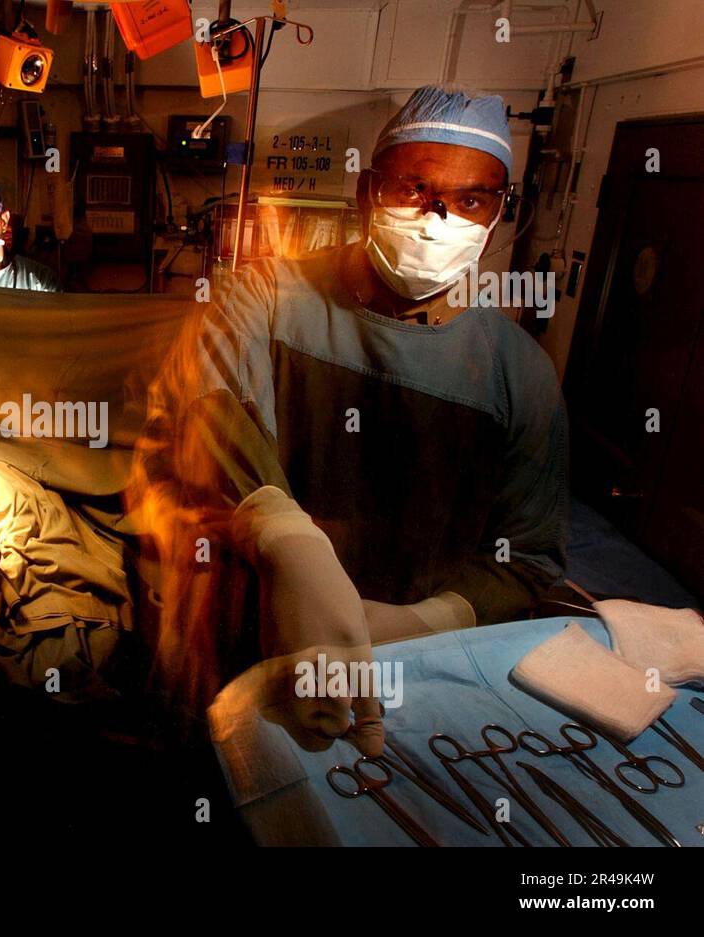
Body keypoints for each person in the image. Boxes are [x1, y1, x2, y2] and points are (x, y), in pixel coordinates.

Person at [129, 86, 568, 755]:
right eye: (413, 188)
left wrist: (418, 621)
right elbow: (204, 413)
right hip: (235, 642)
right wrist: (288, 542)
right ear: (367, 191)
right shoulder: (266, 296)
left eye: (471, 199)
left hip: (407, 681)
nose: (438, 217)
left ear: (500, 210)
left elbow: (529, 558)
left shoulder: (520, 378)